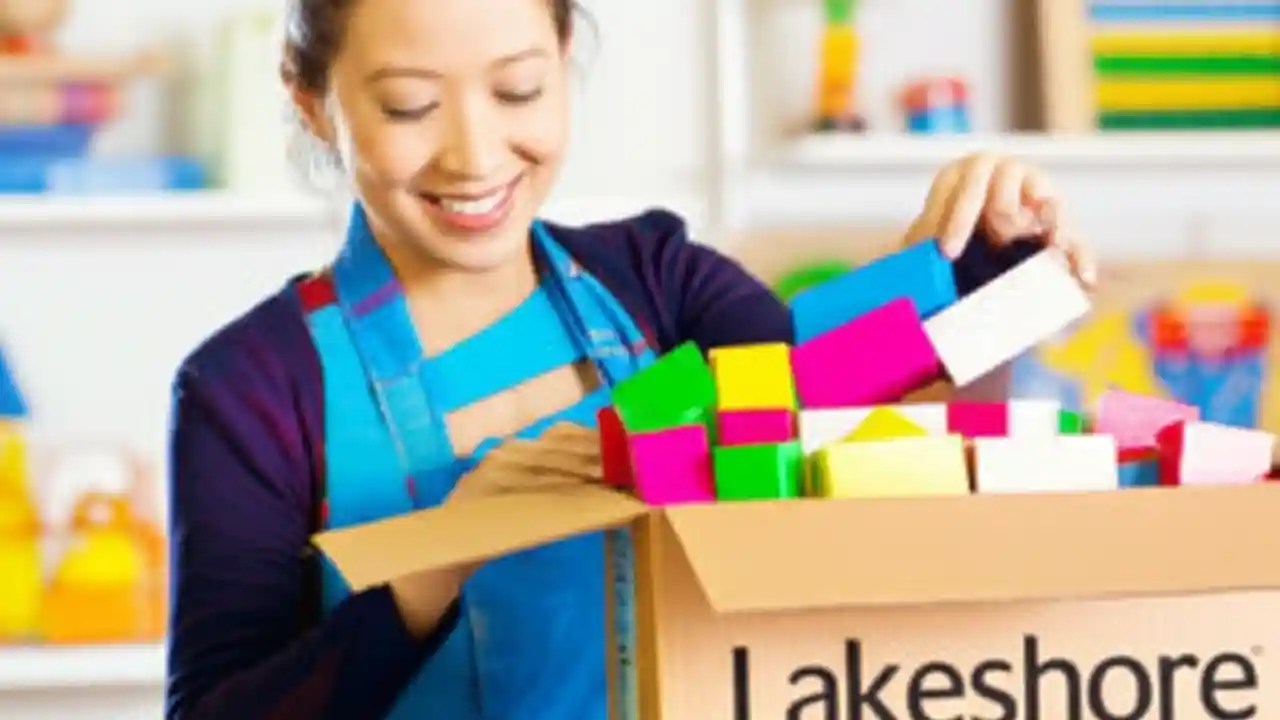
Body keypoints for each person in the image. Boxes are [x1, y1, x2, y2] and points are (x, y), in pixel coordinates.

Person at [163, 0, 1098, 718]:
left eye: (519, 90)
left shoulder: (660, 285)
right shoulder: (251, 392)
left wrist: (979, 262)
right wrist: (439, 558)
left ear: (566, 61)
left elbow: (837, 422)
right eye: (410, 105)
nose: (475, 153)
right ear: (311, 101)